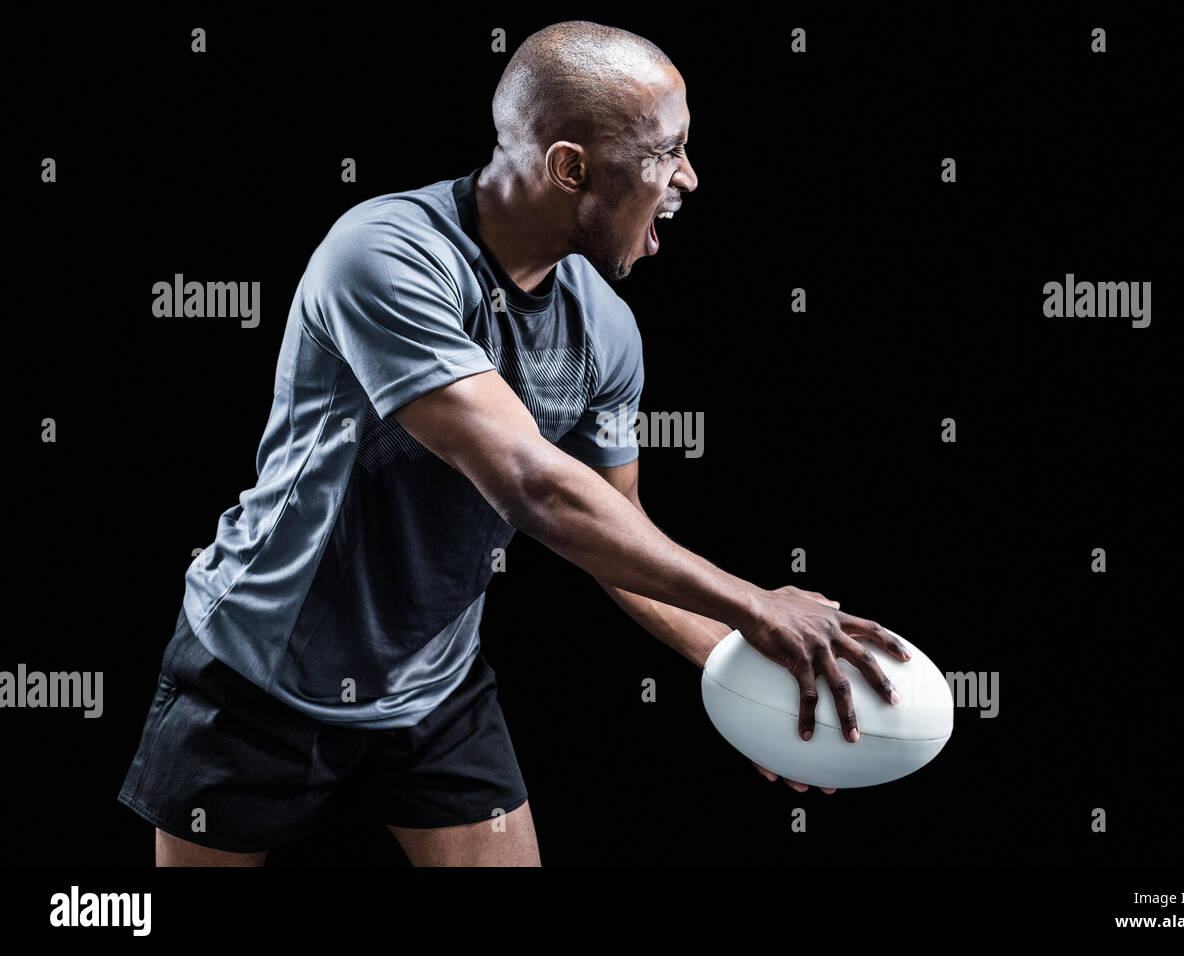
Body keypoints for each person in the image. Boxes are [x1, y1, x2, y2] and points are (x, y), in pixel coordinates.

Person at [117, 19, 909, 867]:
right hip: (256, 669)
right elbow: (531, 486)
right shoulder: (386, 256)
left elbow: (615, 531)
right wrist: (755, 602)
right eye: (665, 151)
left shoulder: (605, 328)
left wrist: (741, 676)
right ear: (570, 167)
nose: (688, 176)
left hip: (433, 685)